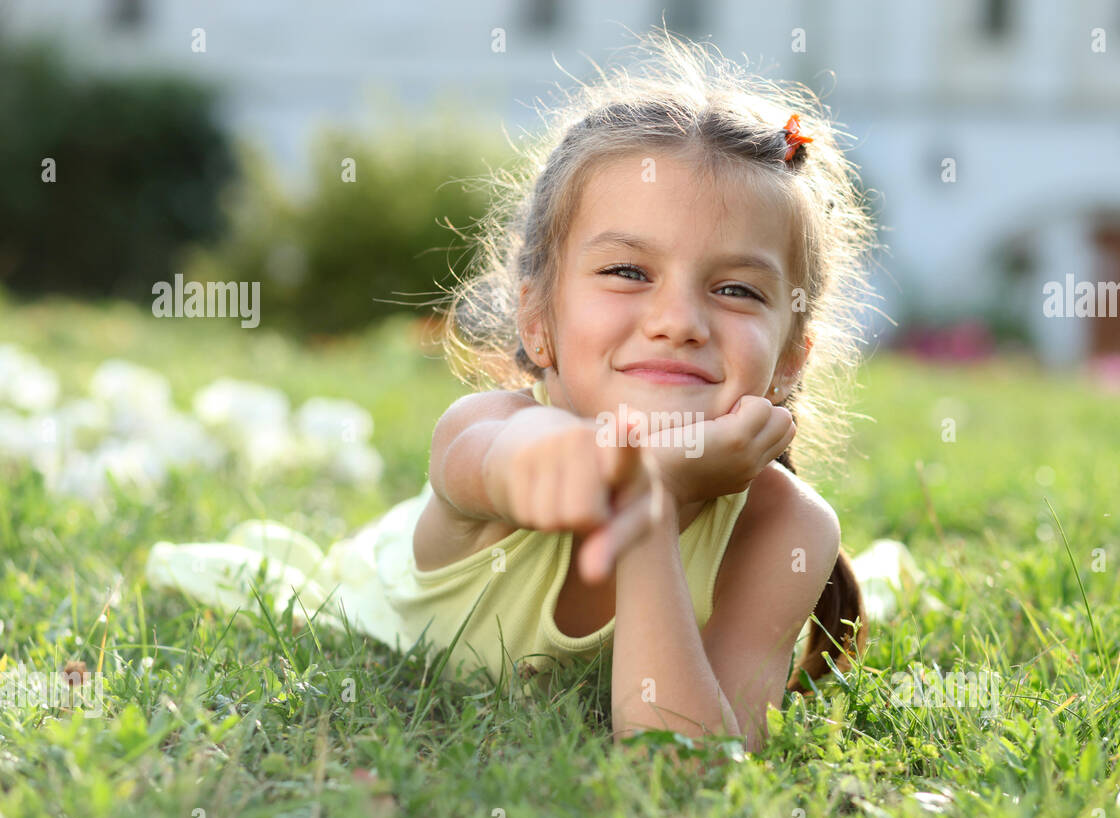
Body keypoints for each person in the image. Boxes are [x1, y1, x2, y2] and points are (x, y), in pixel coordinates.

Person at [147, 28, 882, 753]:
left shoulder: (785, 528)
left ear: (790, 359)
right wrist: (646, 482)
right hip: (362, 604)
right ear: (537, 320)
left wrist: (646, 515)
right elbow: (552, 467)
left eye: (733, 289)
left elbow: (684, 756)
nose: (678, 321)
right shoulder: (487, 433)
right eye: (628, 272)